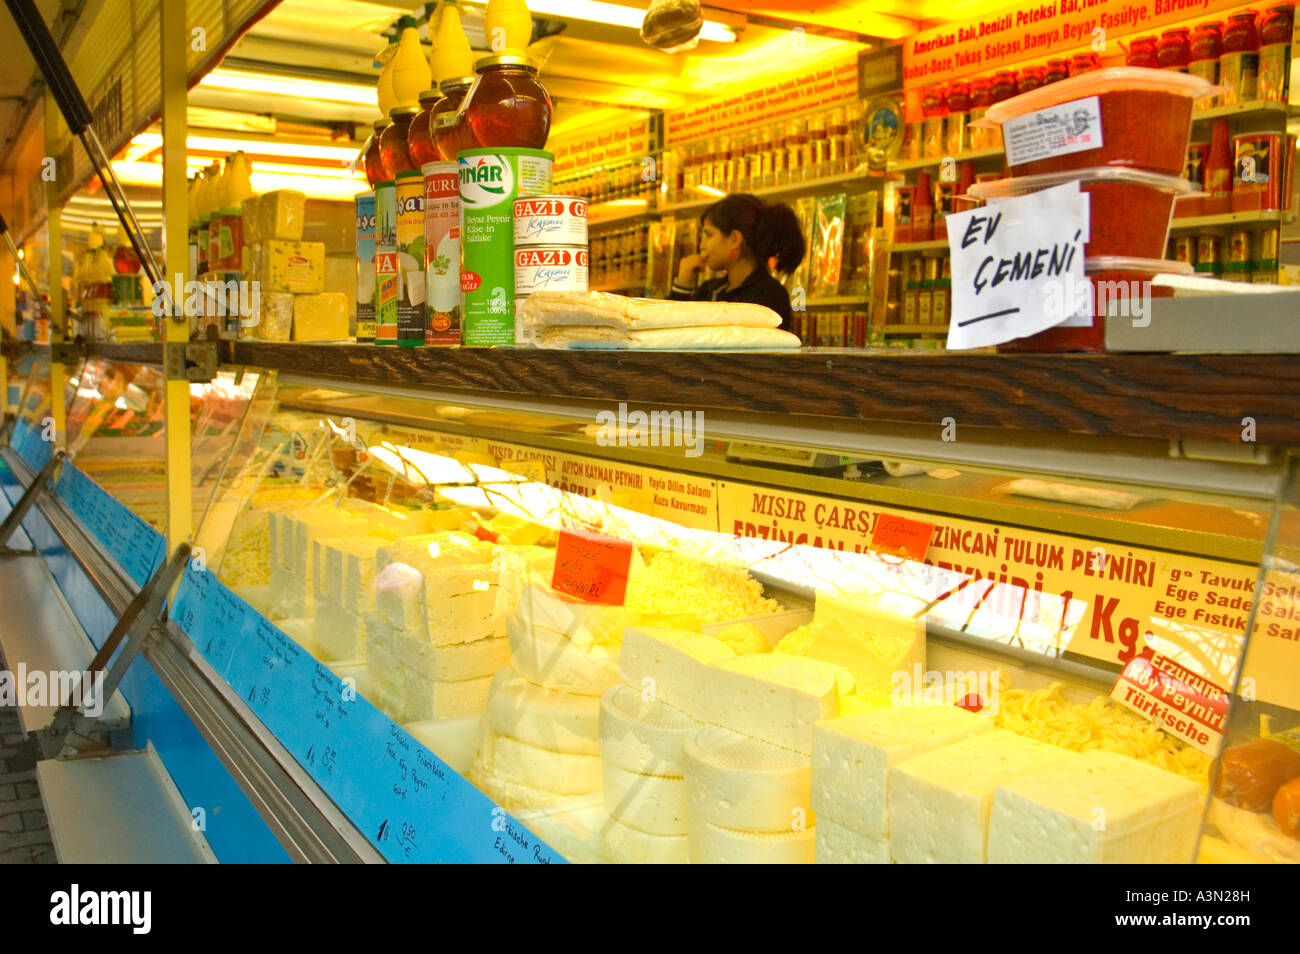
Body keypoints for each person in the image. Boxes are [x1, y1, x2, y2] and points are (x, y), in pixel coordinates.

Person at [669, 194, 806, 330]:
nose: (702, 245)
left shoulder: (768, 295)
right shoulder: (709, 290)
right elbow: (668, 334)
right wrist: (683, 285)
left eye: (708, 235)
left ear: (734, 239)